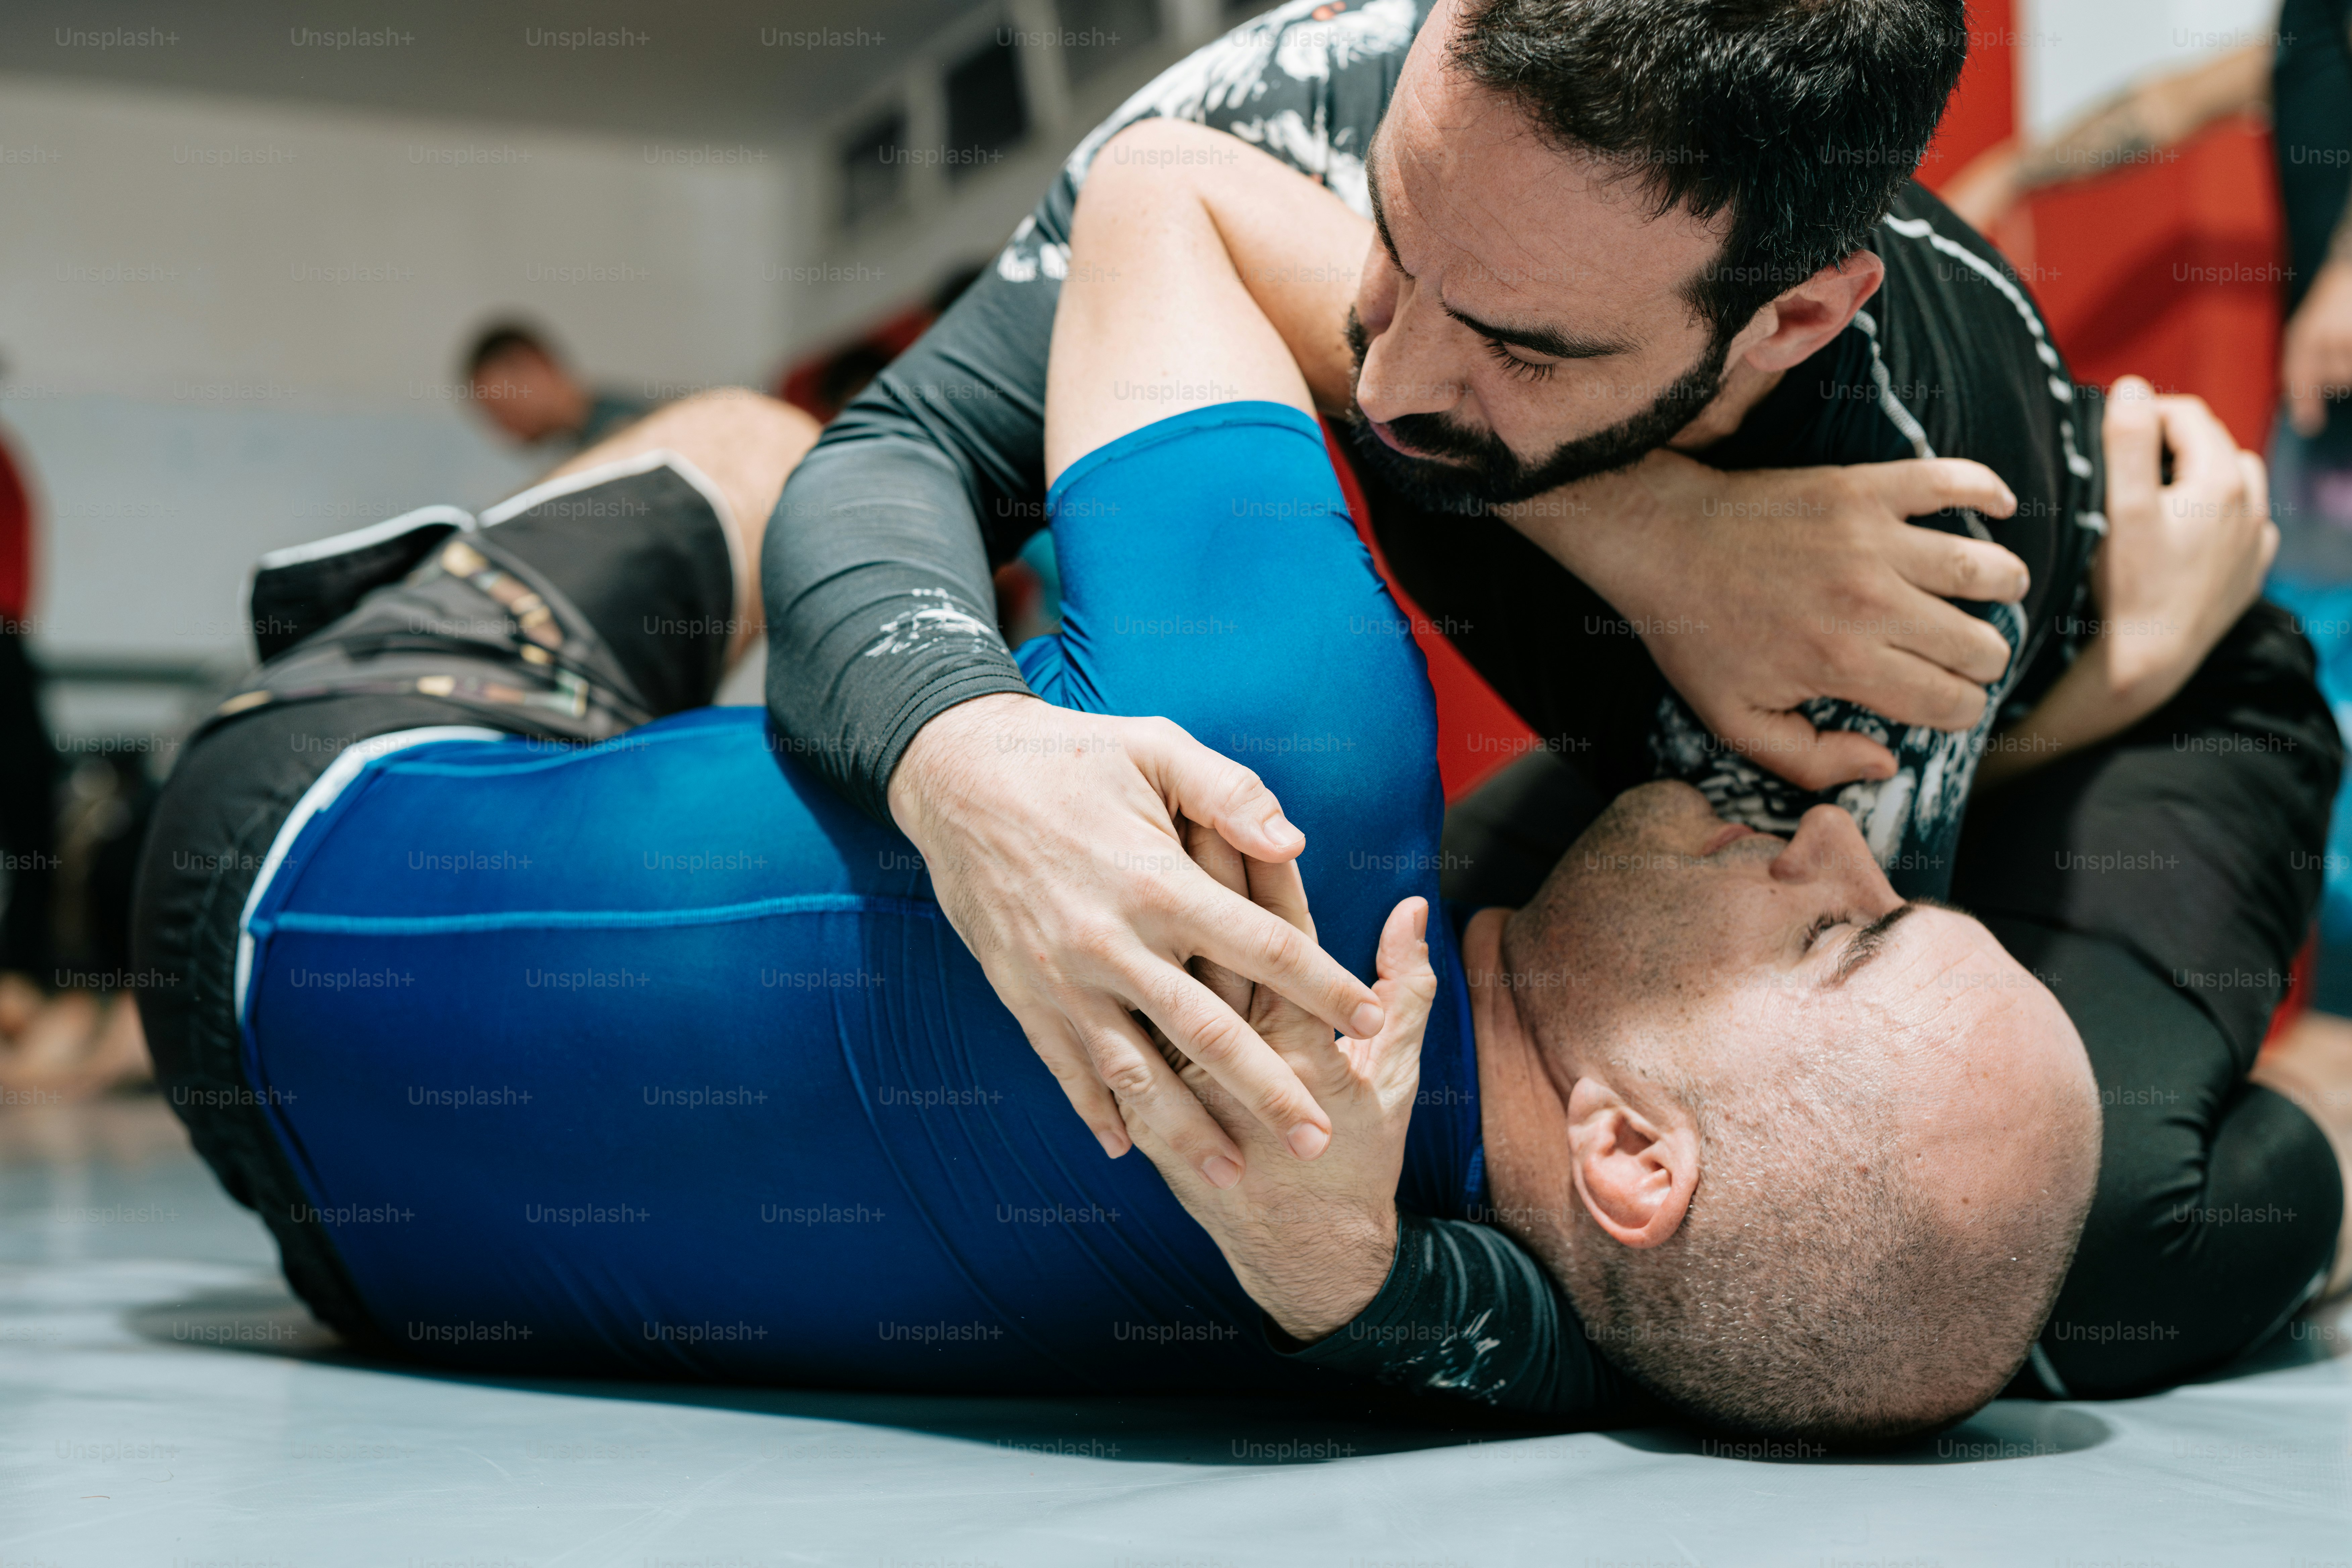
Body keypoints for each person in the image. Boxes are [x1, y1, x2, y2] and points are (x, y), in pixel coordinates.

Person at [764, 0, 2343, 1400]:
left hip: (2124, 710)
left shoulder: (1899, 482)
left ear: (1785, 322)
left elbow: (1737, 1249)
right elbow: (889, 454)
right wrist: (951, 747)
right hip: (1680, 778)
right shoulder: (1295, 99)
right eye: (1385, 234)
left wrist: (2132, 663)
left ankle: (2331, 1095)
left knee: (2034, 1280)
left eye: (1519, 347)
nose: (1384, 384)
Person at [131, 338, 2099, 1446]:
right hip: (376, 1262)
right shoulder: (1462, 1335)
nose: (1841, 829)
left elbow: (1173, 192)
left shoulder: (1285, 777)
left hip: (288, 831)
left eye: (1847, 929)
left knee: (755, 444)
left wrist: (1648, 520)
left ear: (1633, 1156)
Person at [461, 321, 651, 451]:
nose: (505, 427)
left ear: (536, 365)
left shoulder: (621, 433)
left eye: (503, 408)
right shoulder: (592, 437)